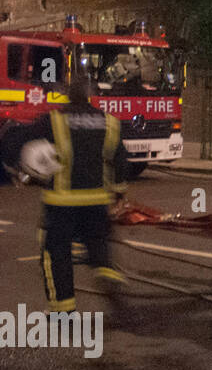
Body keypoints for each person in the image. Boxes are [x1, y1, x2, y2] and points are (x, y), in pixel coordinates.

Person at [5, 78, 130, 313]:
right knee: (98, 241)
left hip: (61, 202)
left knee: (56, 254)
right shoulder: (110, 122)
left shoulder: (54, 120)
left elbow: (21, 139)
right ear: (90, 96)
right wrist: (119, 193)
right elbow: (120, 160)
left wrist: (12, 162)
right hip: (96, 199)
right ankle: (107, 272)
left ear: (68, 97)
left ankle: (63, 309)